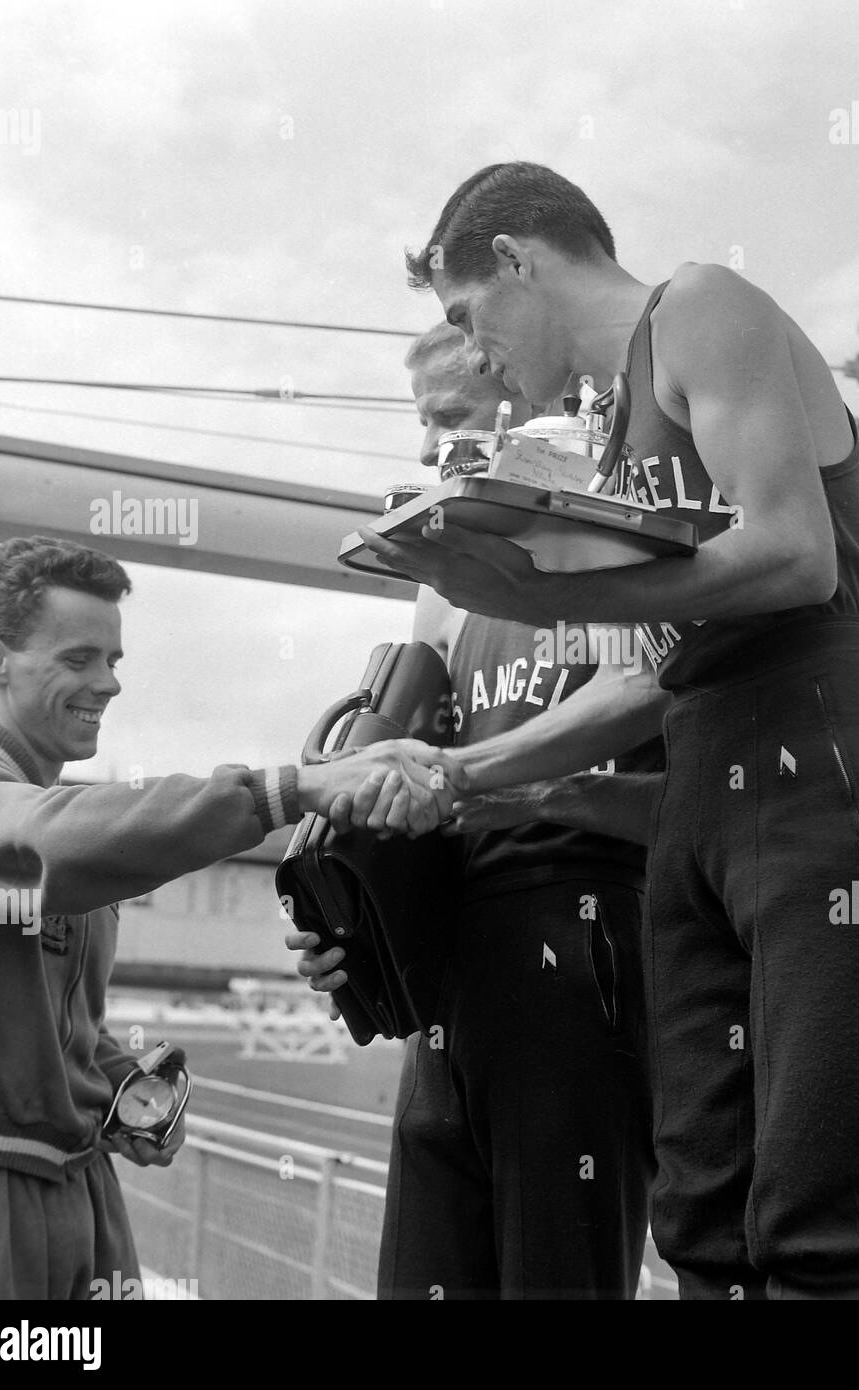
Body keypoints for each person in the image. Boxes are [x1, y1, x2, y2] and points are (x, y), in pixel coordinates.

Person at [354, 162, 859, 1300]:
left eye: (462, 315)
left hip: (822, 756)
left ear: (513, 261)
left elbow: (794, 552)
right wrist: (459, 766)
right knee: (703, 1225)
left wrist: (543, 597)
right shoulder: (611, 417)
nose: (472, 351)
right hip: (705, 778)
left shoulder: (700, 307)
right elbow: (646, 673)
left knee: (813, 1226)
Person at [0, 534, 454, 1299]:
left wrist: (119, 1084)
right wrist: (299, 789)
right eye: (78, 658)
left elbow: (37, 1014)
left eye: (114, 660)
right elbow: (56, 840)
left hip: (82, 1187)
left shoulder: (58, 814)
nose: (108, 684)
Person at [290, 322, 661, 1299]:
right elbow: (417, 780)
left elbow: (676, 753)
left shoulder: (625, 517)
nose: (423, 450)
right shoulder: (440, 577)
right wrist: (354, 917)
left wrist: (480, 785)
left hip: (583, 958)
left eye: (444, 417)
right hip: (452, 990)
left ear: (515, 382)